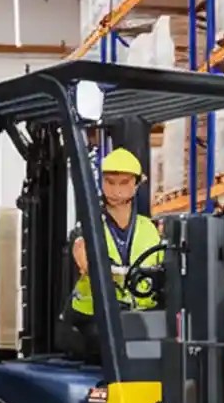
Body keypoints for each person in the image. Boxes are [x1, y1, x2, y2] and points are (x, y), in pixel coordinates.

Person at [60, 148, 163, 362]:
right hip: (94, 316)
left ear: (137, 184)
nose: (116, 190)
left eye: (124, 183)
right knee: (109, 341)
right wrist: (97, 267)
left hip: (139, 317)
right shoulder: (88, 226)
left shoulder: (149, 229)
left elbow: (163, 268)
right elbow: (83, 257)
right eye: (110, 182)